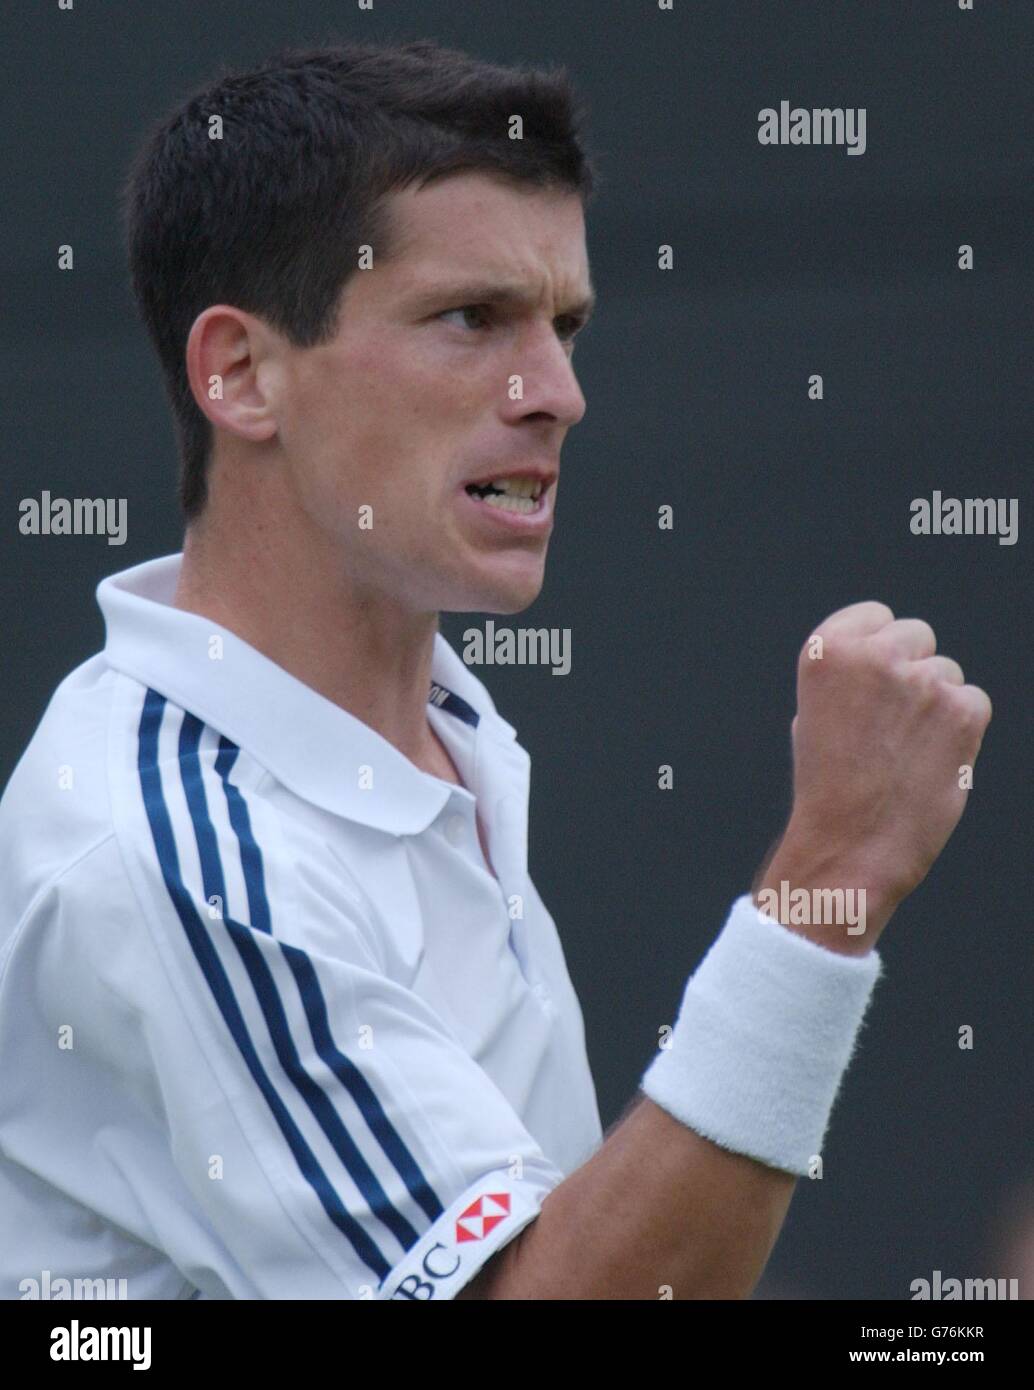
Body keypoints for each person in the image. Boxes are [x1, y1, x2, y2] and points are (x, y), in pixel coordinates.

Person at [0, 38, 991, 1301]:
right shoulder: (172, 855)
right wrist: (829, 882)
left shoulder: (426, 727)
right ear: (241, 374)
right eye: (470, 317)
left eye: (563, 325)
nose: (559, 393)